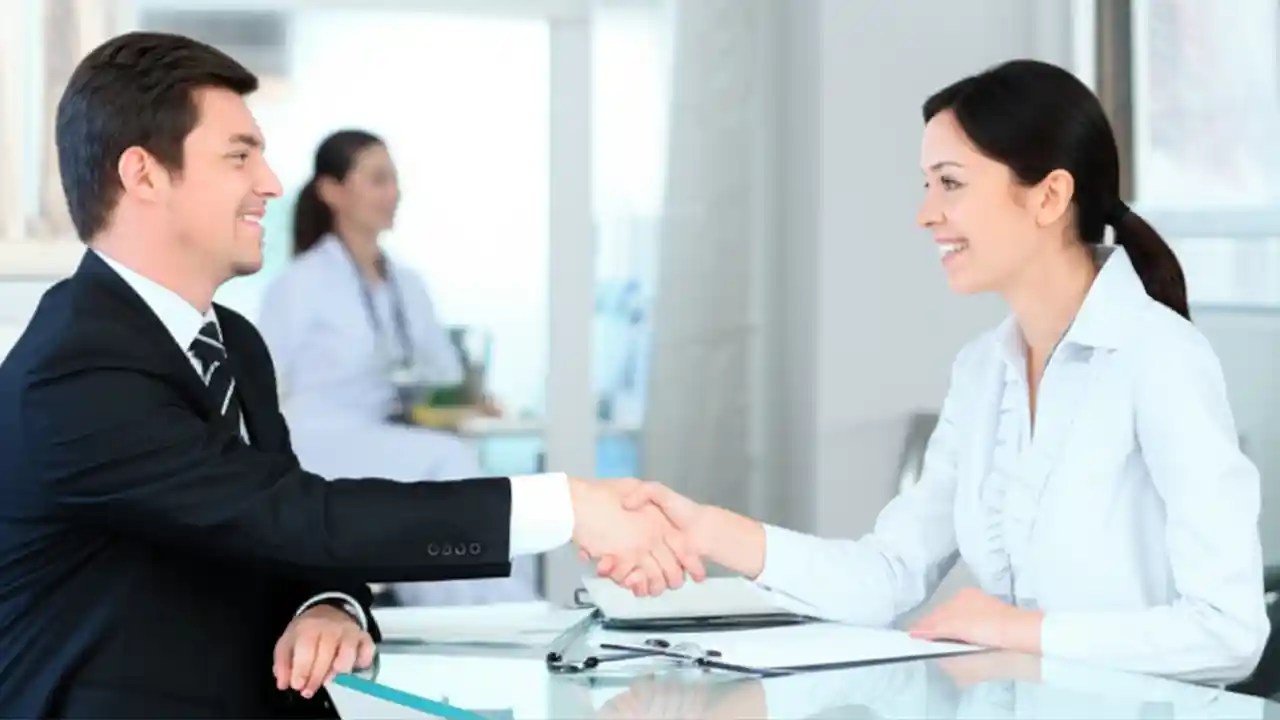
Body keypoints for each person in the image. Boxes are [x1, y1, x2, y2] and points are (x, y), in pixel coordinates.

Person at [0, 31, 701, 718]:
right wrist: (569, 506)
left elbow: (274, 522)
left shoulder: (230, 342)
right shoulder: (74, 371)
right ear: (143, 174)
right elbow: (287, 512)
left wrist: (325, 601)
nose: (270, 184)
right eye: (239, 157)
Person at [606, 60, 1269, 685]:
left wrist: (1022, 632)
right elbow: (888, 575)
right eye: (927, 185)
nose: (926, 213)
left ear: (1048, 197)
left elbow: (1228, 632)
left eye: (950, 183)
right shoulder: (982, 373)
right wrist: (709, 528)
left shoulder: (1161, 359)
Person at [258, 130, 535, 607]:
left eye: (395, 181)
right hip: (319, 439)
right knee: (445, 464)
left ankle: (509, 608)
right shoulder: (302, 283)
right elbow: (263, 380)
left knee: (471, 472)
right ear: (331, 191)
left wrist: (470, 399)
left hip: (388, 434)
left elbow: (440, 372)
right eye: (378, 179)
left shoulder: (408, 284)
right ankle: (497, 612)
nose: (393, 193)